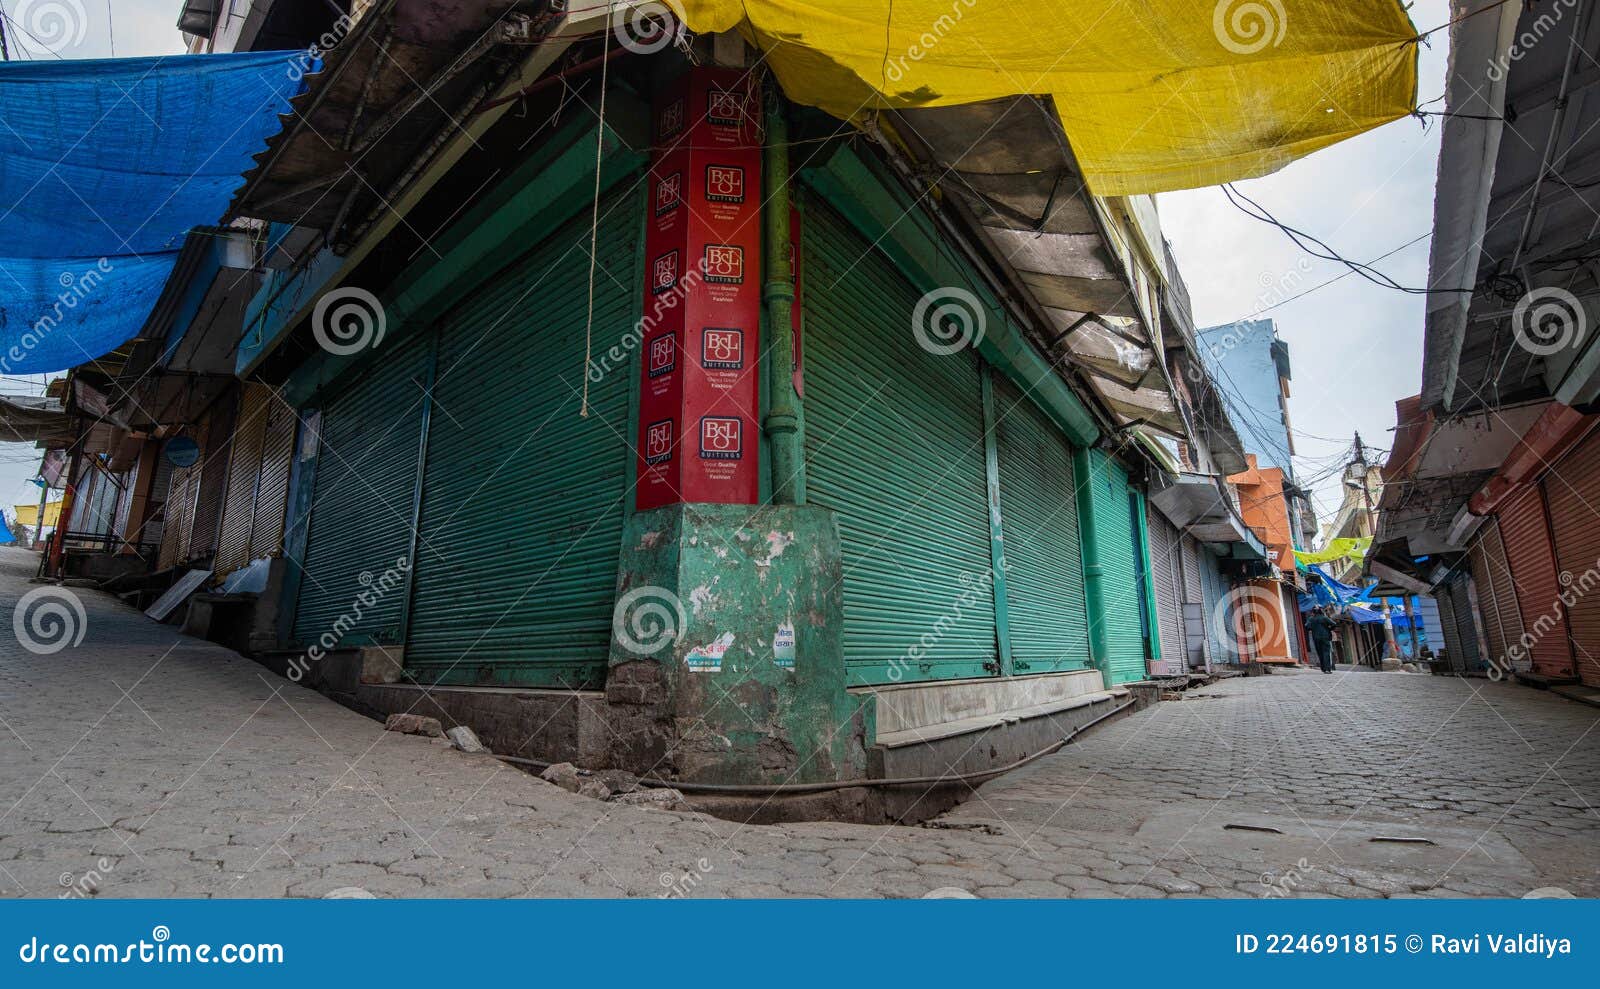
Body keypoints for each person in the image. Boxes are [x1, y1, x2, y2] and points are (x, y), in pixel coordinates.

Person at [1305, 607, 1337, 674]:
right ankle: (1328, 669)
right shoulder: (1324, 618)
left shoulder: (1311, 619)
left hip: (1316, 638)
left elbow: (1307, 626)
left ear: (1313, 612)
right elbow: (1334, 624)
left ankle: (1323, 669)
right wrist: (1329, 629)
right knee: (1326, 652)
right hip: (1325, 637)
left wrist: (1312, 629)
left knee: (1320, 653)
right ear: (1321, 611)